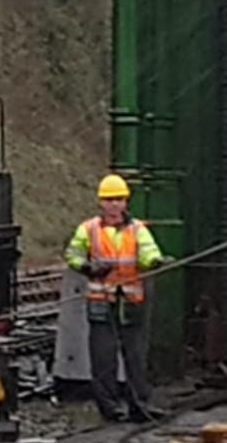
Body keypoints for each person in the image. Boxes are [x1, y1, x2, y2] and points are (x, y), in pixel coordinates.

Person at [67, 172, 164, 423]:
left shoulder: (138, 230)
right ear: (101, 202)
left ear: (125, 202)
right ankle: (109, 408)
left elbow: (148, 252)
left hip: (130, 303)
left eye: (118, 199)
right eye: (109, 200)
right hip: (101, 303)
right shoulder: (88, 229)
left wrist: (155, 261)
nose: (113, 204)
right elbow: (73, 255)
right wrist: (88, 267)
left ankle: (139, 405)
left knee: (135, 357)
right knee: (103, 359)